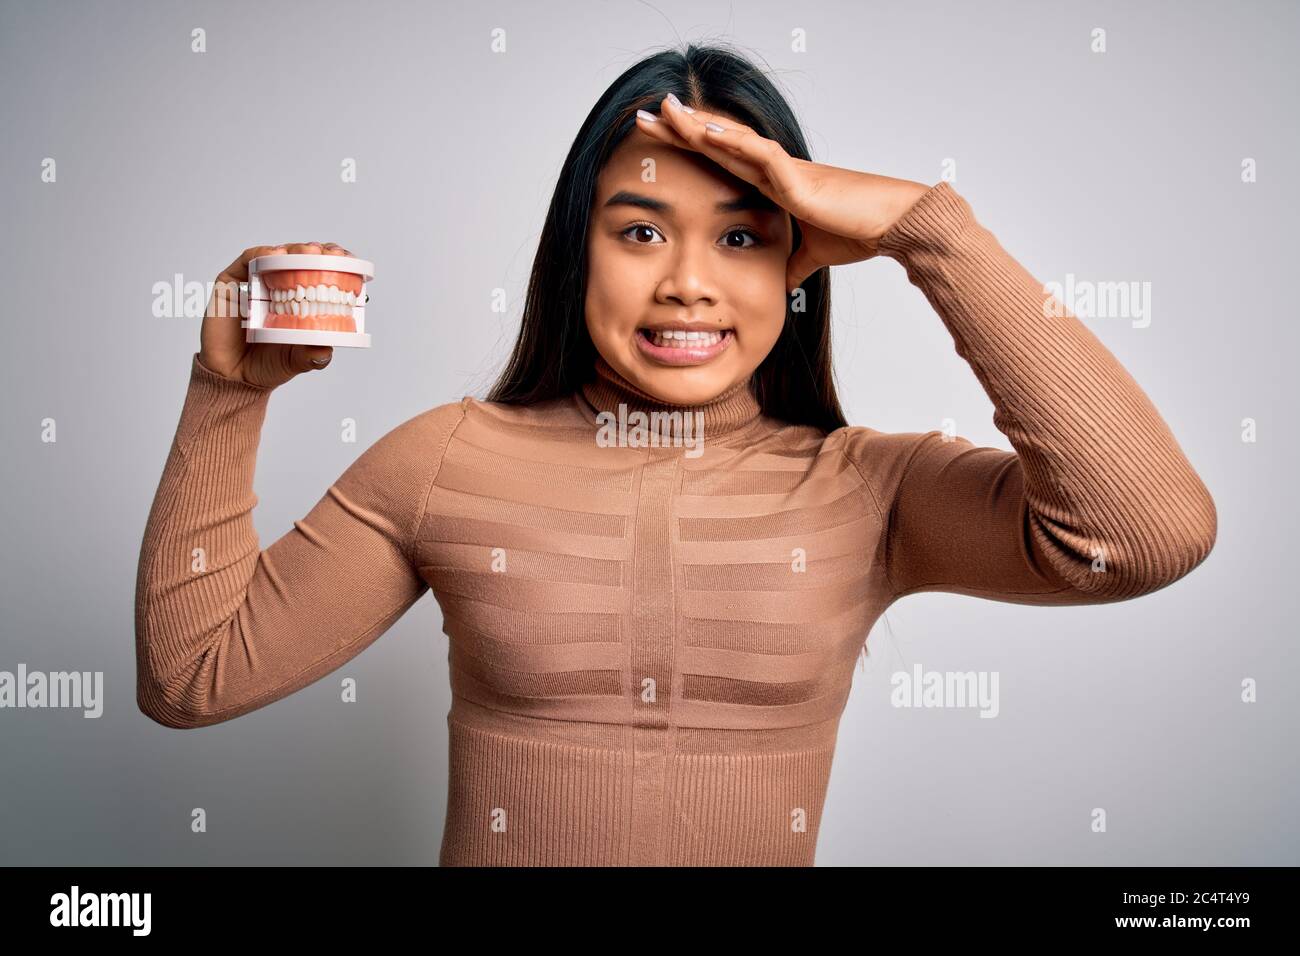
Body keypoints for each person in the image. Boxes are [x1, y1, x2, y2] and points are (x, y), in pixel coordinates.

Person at [134, 44, 1217, 866]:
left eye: (742, 235)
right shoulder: (445, 459)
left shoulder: (870, 489)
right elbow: (190, 677)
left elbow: (1146, 537)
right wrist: (230, 393)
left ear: (799, 262)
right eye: (641, 230)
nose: (689, 283)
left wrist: (928, 234)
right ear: (578, 252)